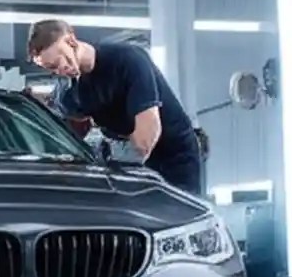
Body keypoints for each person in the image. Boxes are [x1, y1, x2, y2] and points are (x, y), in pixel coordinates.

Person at [27, 19, 203, 195]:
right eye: (51, 69)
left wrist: (122, 175)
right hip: (125, 149)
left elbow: (147, 135)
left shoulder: (128, 60)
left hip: (173, 156)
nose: (59, 71)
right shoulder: (69, 90)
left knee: (180, 214)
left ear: (71, 41)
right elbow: (70, 127)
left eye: (58, 63)